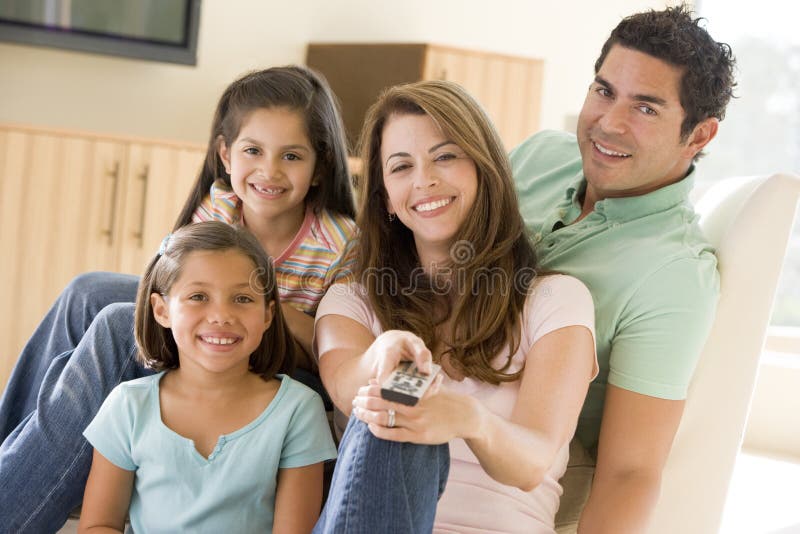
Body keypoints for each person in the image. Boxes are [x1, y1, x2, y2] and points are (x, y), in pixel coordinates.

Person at [0, 65, 356, 533]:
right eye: (254, 151)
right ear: (226, 156)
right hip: (209, 331)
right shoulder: (221, 206)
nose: (269, 171)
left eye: (291, 156)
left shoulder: (338, 242)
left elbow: (334, 343)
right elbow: (169, 281)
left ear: (319, 167)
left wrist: (270, 307)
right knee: (88, 292)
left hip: (275, 355)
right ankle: (19, 461)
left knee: (112, 322)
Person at [312, 80, 598, 533]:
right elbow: (347, 387)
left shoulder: (555, 300)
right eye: (401, 166)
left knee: (406, 401)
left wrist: (468, 419)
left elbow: (531, 463)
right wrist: (382, 354)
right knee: (394, 399)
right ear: (385, 197)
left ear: (484, 168)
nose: (424, 180)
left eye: (445, 156)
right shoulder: (352, 299)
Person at [510, 6, 735, 532]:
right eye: (604, 91)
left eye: (647, 108)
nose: (608, 123)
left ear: (699, 136)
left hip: (520, 477)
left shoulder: (675, 273)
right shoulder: (540, 154)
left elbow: (630, 472)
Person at [77, 222, 336, 533]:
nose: (221, 316)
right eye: (198, 296)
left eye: (242, 299)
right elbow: (99, 525)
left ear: (268, 314)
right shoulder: (128, 406)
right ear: (161, 310)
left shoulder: (298, 410)